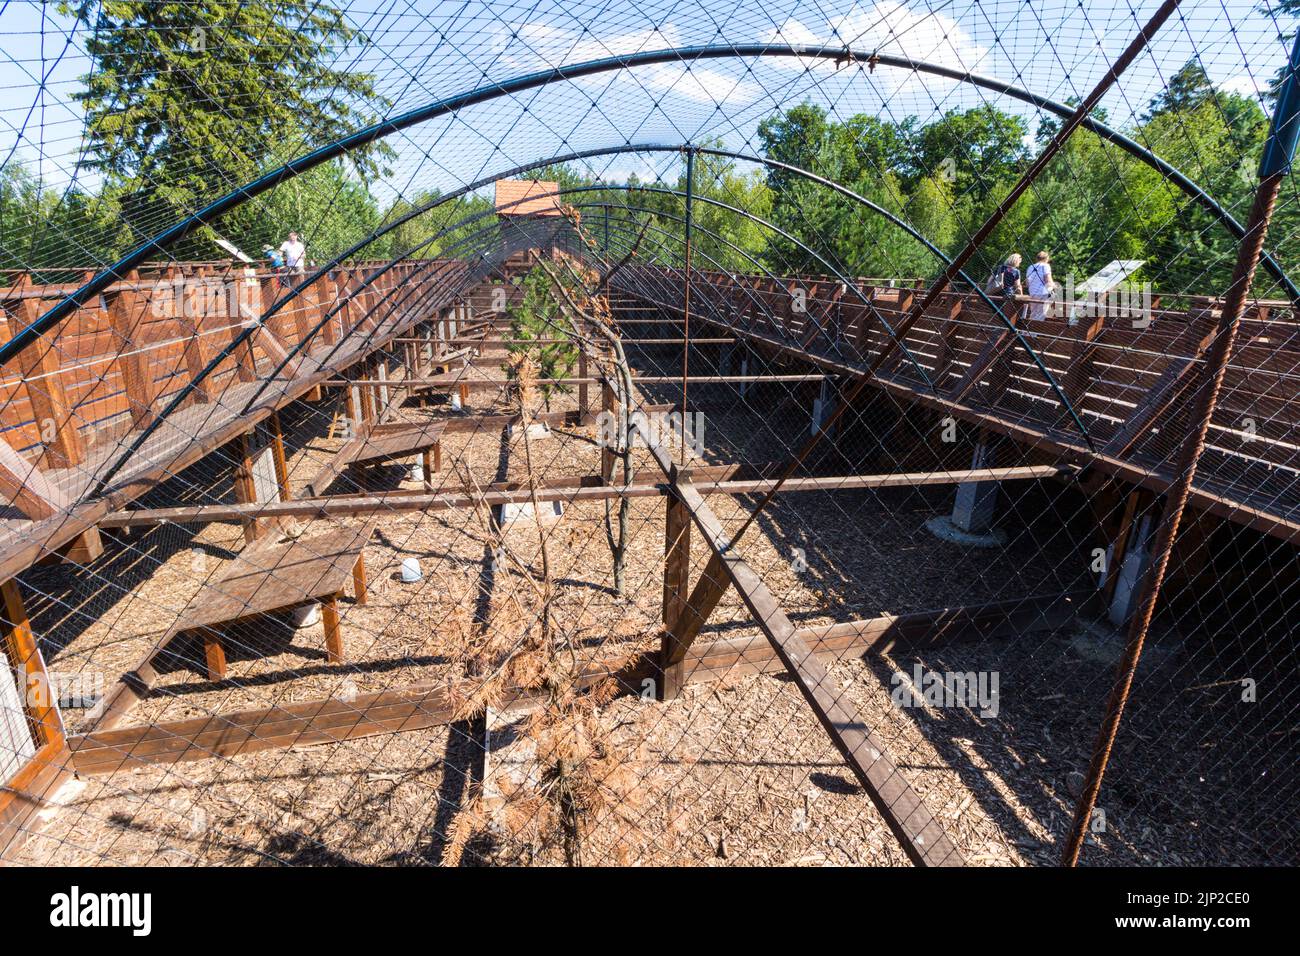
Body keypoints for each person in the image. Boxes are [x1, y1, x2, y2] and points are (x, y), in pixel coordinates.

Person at [1025, 251, 1055, 321]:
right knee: (1041, 314)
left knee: (1033, 313)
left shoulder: (1030, 267)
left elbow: (1027, 282)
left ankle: (1030, 329)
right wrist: (1054, 285)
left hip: (1032, 292)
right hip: (1042, 293)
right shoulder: (1046, 266)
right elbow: (1048, 281)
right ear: (1046, 259)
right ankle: (1034, 331)